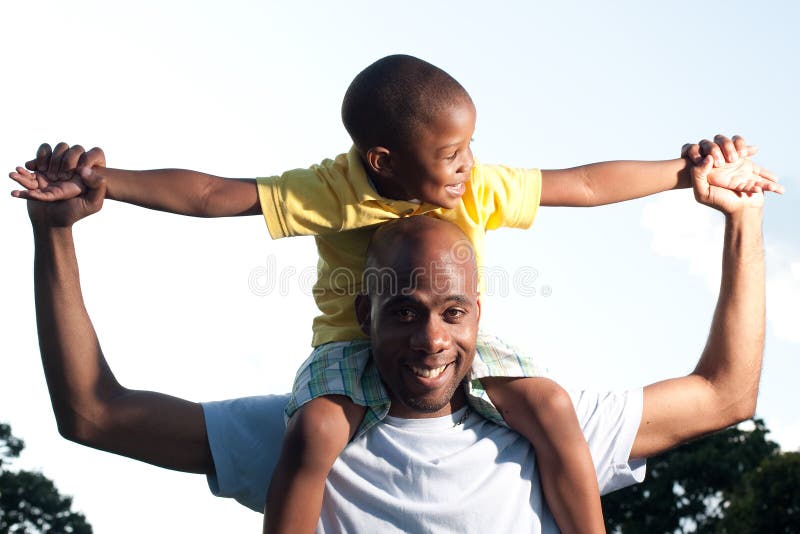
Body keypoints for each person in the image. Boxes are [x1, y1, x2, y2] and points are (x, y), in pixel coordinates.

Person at [9, 55, 781, 533]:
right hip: (341, 358)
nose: (433, 338)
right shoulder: (332, 192)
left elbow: (580, 185)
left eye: (454, 311)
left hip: (475, 372)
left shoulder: (473, 190)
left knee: (549, 407)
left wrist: (692, 178)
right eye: (406, 311)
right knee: (312, 431)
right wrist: (97, 193)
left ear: (478, 307)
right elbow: (215, 195)